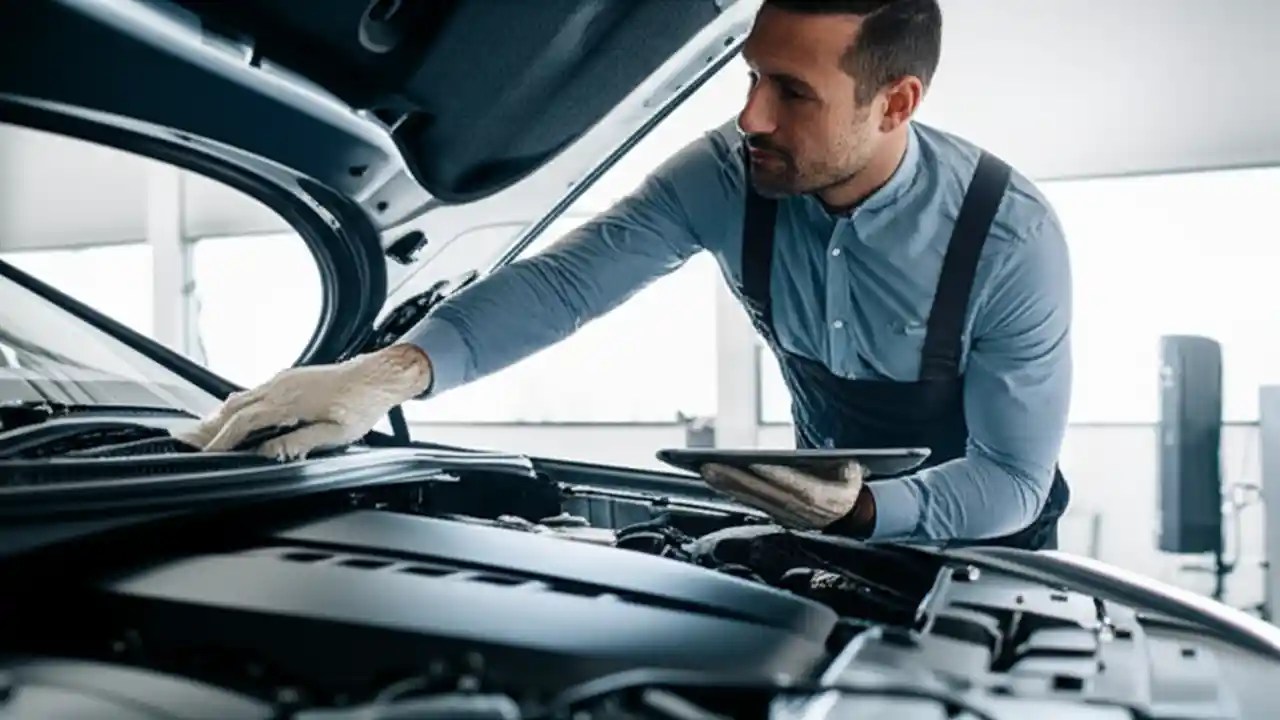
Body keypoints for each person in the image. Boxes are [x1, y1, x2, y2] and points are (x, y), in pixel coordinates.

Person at [176, 0, 1072, 550]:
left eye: (793, 92)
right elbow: (566, 285)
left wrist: (863, 513)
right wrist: (383, 376)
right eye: (752, 77)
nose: (751, 117)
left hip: (991, 553)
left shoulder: (1008, 236)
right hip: (830, 530)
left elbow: (1010, 478)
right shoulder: (729, 172)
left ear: (896, 103)